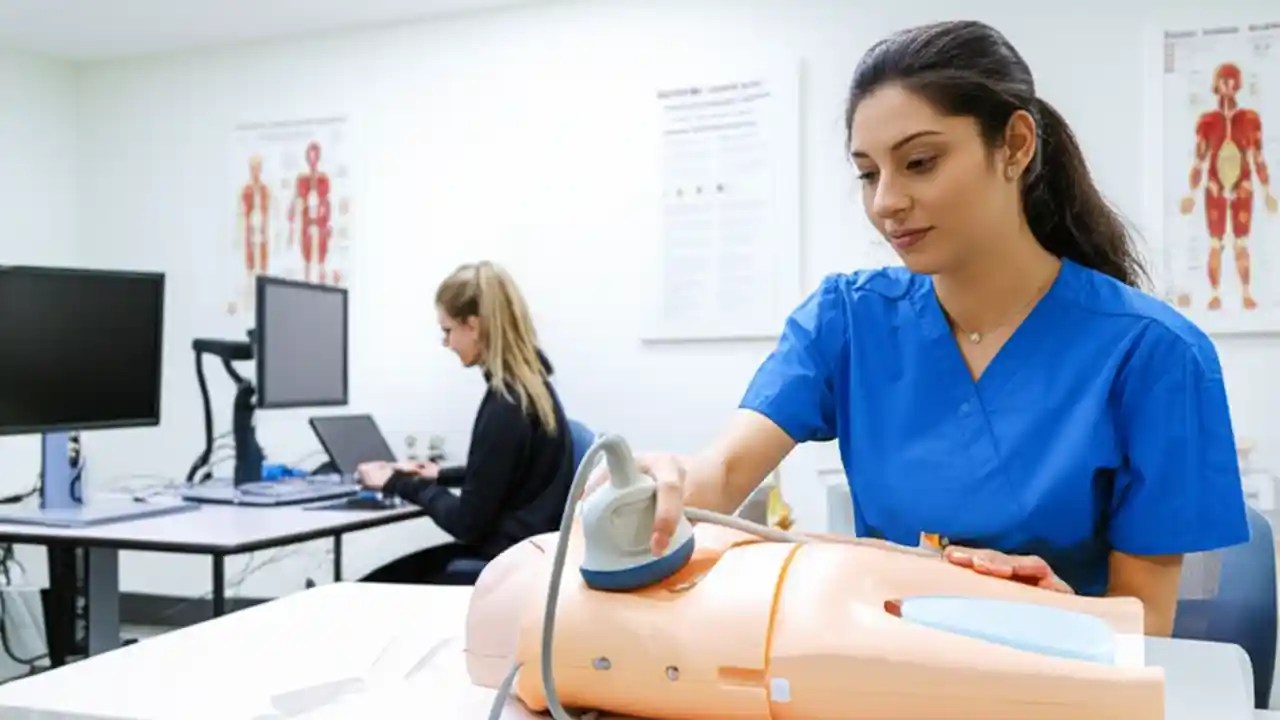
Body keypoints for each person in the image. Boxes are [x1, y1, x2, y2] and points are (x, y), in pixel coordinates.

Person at [590, 20, 1249, 636]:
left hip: (1055, 686)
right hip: (887, 669)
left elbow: (1145, 627)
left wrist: (1059, 612)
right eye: (868, 173)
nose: (886, 203)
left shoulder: (1154, 356)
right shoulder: (848, 320)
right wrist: (665, 483)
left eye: (921, 162)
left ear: (1015, 145)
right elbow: (726, 471)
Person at [357, 261, 574, 584]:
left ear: (473, 326)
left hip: (500, 566)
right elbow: (505, 475)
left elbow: (466, 523)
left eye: (448, 331)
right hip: (526, 556)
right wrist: (440, 475)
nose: (447, 343)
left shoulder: (505, 407)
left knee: (365, 589)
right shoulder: (531, 388)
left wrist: (396, 483)